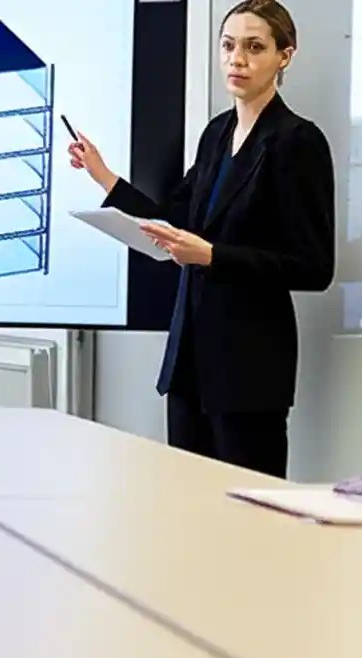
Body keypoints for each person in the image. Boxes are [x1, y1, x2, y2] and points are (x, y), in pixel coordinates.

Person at [69, 0, 333, 478]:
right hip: (190, 361)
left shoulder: (298, 141)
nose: (237, 59)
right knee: (189, 511)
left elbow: (314, 267)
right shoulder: (216, 133)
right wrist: (104, 177)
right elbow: (175, 220)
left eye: (254, 47)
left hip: (249, 370)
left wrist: (213, 255)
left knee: (249, 519)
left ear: (285, 56)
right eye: (229, 45)